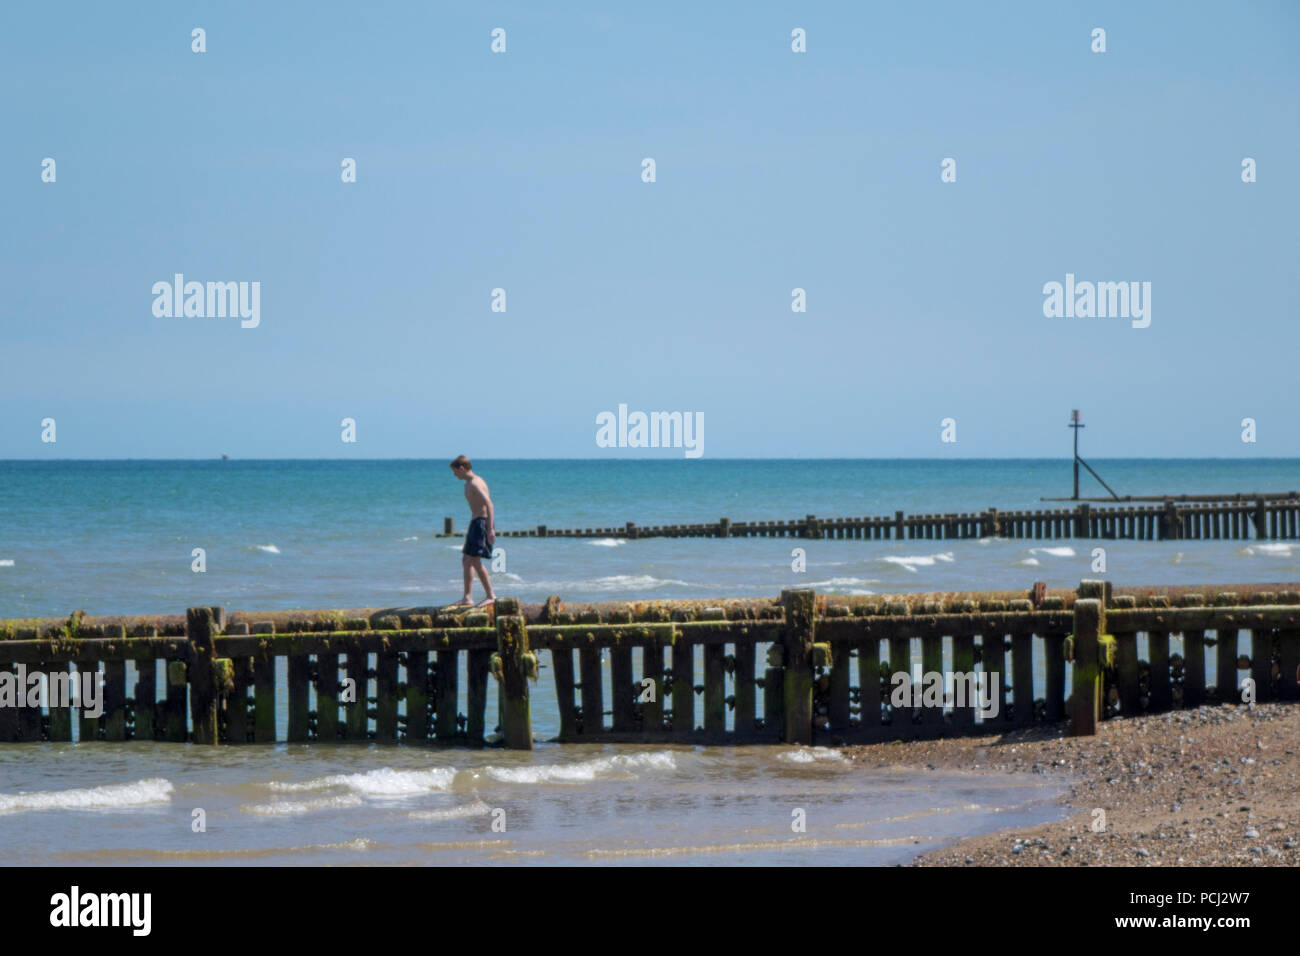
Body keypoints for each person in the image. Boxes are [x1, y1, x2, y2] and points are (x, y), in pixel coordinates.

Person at [449, 455, 496, 607]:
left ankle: (491, 595)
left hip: (481, 523)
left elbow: (489, 504)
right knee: (466, 560)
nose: (454, 475)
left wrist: (490, 529)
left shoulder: (475, 483)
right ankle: (467, 598)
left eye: (455, 471)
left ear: (461, 468)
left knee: (475, 560)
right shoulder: (468, 483)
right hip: (475, 522)